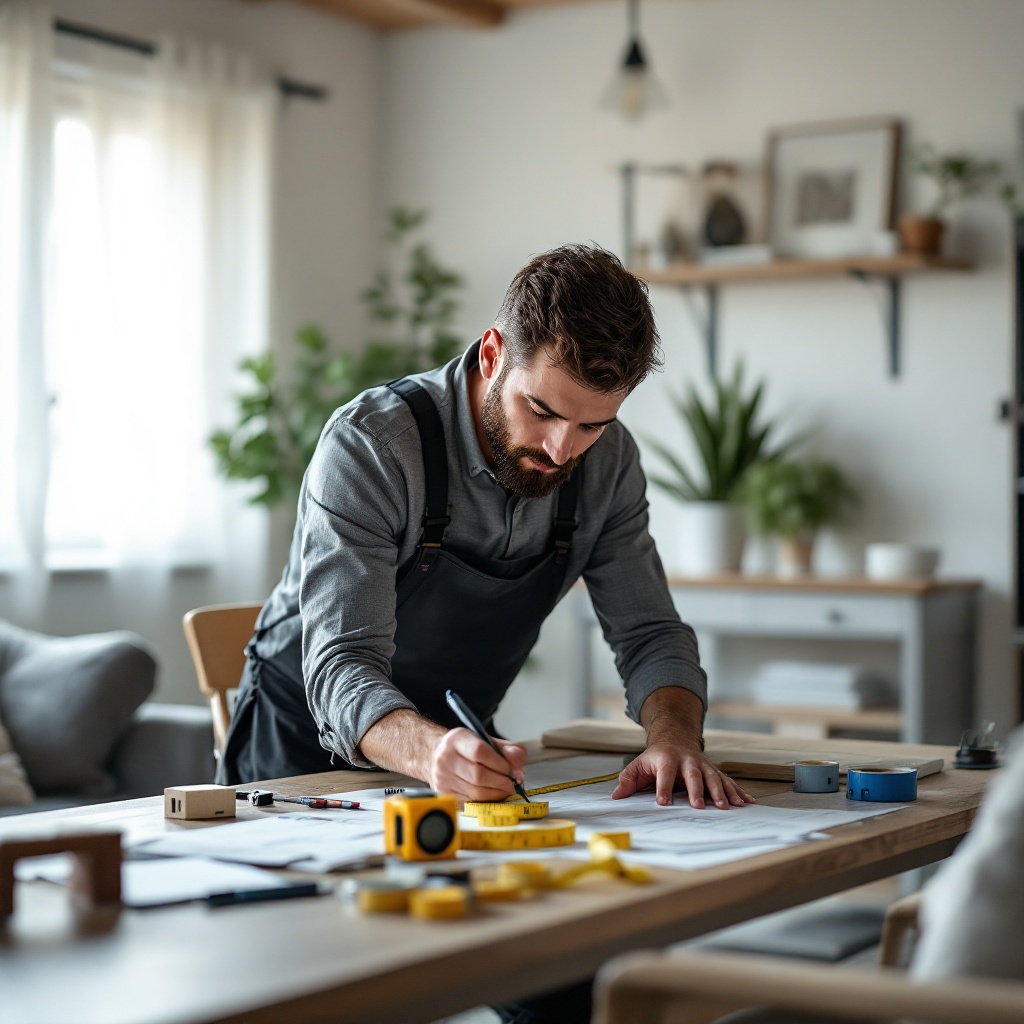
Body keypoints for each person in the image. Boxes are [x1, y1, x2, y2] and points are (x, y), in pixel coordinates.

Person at [219, 244, 751, 816]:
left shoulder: (609, 463)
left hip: (454, 757)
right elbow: (342, 666)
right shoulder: (373, 446)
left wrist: (672, 739)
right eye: (542, 410)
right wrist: (430, 754)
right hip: (297, 756)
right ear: (493, 353)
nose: (561, 449)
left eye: (593, 424)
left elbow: (650, 633)